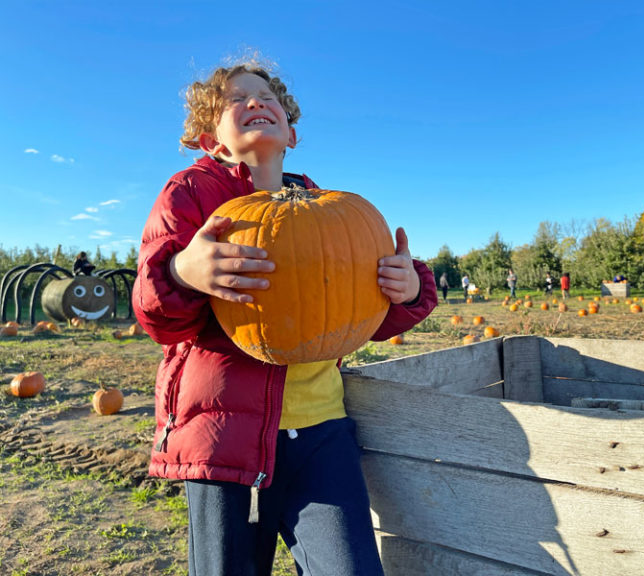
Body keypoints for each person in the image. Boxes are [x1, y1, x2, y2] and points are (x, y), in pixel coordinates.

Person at [132, 56, 437, 576]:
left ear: (291, 133)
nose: (255, 102)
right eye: (236, 99)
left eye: (267, 97)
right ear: (212, 139)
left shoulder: (329, 210)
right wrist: (183, 272)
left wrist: (405, 292)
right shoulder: (192, 193)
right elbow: (157, 315)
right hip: (225, 435)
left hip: (321, 426)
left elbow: (351, 316)